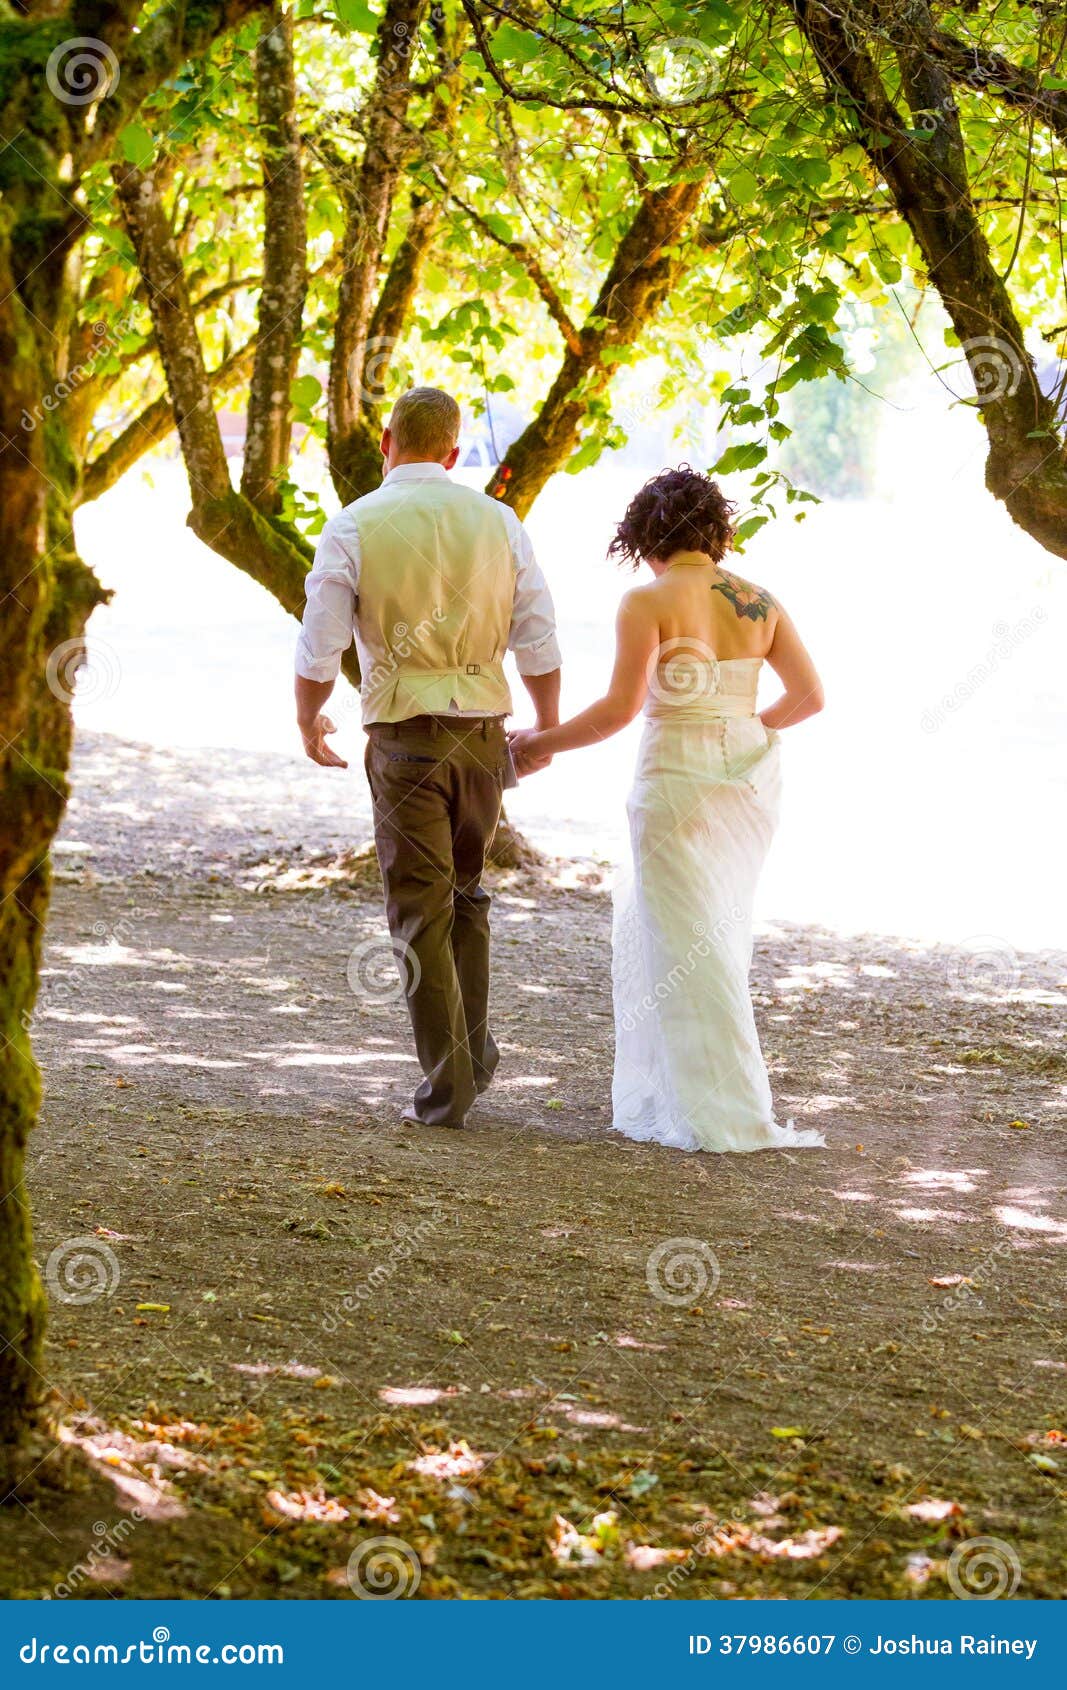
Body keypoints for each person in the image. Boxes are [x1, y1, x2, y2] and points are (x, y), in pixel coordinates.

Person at [510, 466, 825, 1153]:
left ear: (646, 536)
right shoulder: (759, 600)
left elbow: (618, 712)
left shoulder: (646, 601)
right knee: (716, 933)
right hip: (744, 781)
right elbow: (808, 698)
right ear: (716, 529)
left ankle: (710, 1110)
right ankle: (722, 1099)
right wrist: (740, 731)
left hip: (673, 778)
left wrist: (538, 742)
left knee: (683, 938)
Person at [294, 386, 562, 1130]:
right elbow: (537, 631)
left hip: (404, 735)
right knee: (467, 895)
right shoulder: (498, 521)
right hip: (481, 733)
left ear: (385, 441)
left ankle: (449, 1092)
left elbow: (321, 638)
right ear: (453, 453)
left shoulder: (354, 522)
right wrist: (543, 728)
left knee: (418, 914)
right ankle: (471, 1057)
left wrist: (308, 716)